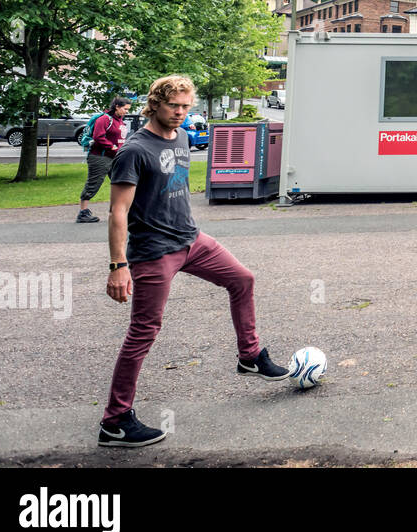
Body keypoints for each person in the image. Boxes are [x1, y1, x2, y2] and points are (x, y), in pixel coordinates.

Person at [99, 74, 288, 448]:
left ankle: (249, 356)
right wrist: (118, 266)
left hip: (192, 240)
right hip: (154, 251)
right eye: (174, 106)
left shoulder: (183, 136)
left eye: (186, 106)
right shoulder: (134, 151)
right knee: (143, 332)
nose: (181, 113)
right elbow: (117, 212)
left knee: (242, 279)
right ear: (155, 103)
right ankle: (115, 421)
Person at [77, 97, 131, 223]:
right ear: (117, 106)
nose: (127, 112)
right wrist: (111, 146)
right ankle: (83, 212)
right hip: (100, 157)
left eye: (128, 109)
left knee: (122, 182)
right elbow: (98, 137)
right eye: (125, 109)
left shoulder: (120, 121)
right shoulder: (105, 119)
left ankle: (122, 210)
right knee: (93, 184)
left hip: (115, 157)